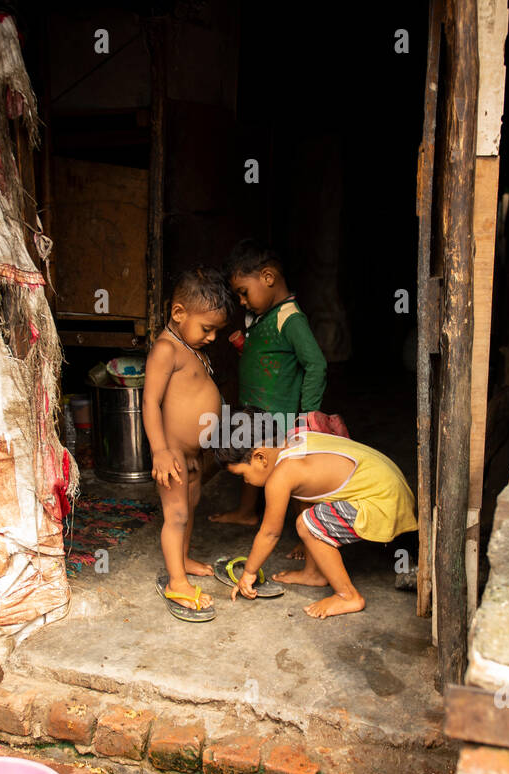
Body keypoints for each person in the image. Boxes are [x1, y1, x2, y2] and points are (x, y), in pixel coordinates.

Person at [216, 424, 416, 619]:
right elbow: (307, 497)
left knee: (308, 525)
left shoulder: (282, 476)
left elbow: (270, 533)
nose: (246, 481)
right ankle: (313, 574)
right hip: (391, 491)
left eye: (242, 474)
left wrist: (249, 573)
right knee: (308, 517)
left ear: (260, 457)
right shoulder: (293, 443)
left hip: (383, 506)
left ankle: (347, 596)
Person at [209, 240, 327, 528]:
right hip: (256, 413)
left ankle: (307, 532)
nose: (242, 301)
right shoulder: (261, 318)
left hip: (283, 418)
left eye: (244, 292)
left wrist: (307, 416)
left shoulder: (290, 318)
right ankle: (247, 512)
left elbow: (316, 364)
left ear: (268, 277)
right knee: (251, 463)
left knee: (295, 474)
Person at [143, 267, 231, 621]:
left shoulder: (191, 347)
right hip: (173, 453)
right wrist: (161, 451)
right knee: (176, 515)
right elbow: (150, 402)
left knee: (190, 508)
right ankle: (176, 582)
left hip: (192, 454)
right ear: (179, 314)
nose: (211, 337)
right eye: (206, 328)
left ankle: (182, 559)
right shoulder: (167, 349)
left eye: (216, 331)